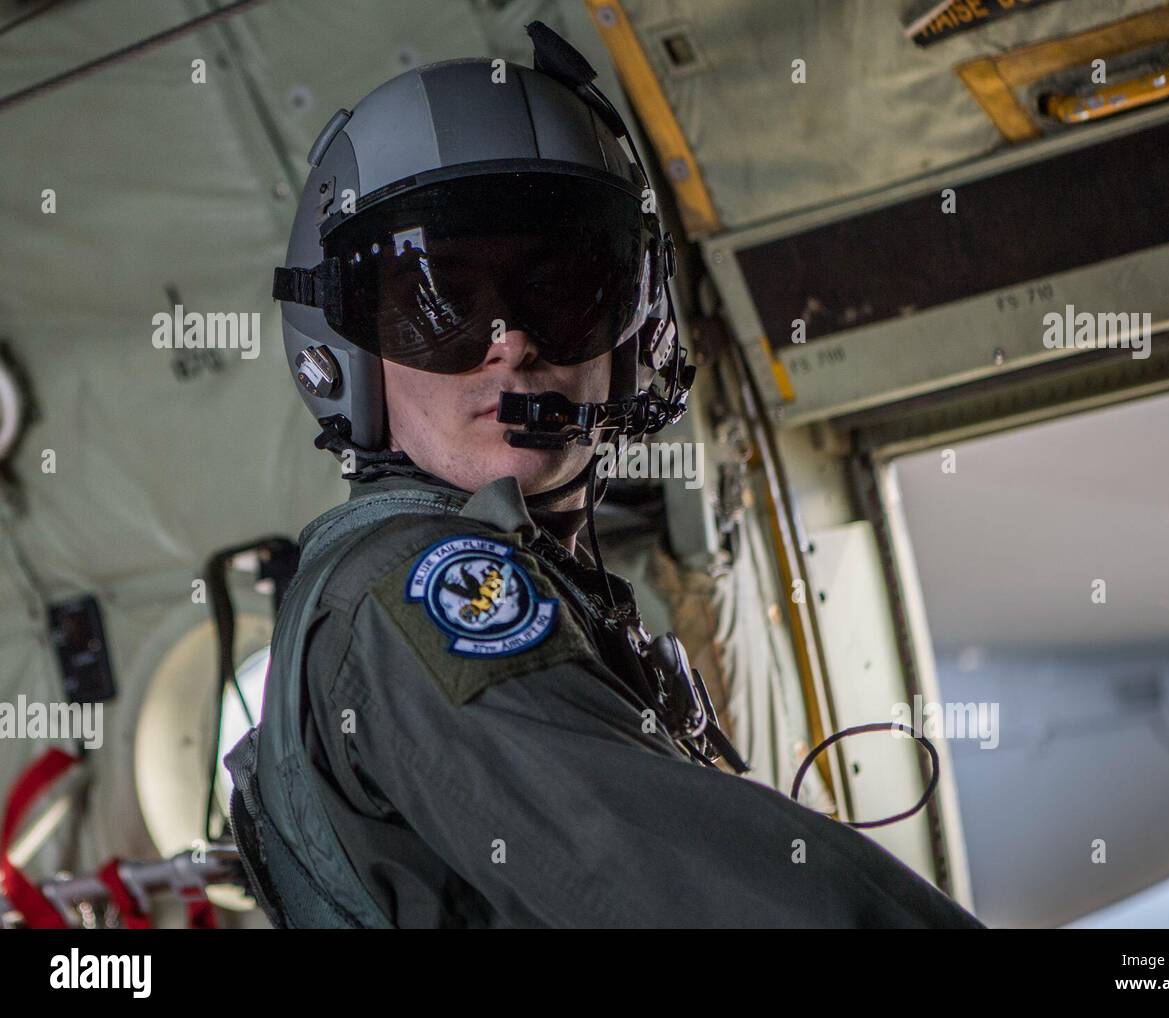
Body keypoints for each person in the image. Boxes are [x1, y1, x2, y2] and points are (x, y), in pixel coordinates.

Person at [224, 21, 983, 930]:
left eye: (563, 284)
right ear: (344, 348)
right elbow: (671, 887)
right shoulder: (416, 591)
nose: (511, 340)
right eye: (439, 302)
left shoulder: (527, 579)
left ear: (640, 326)